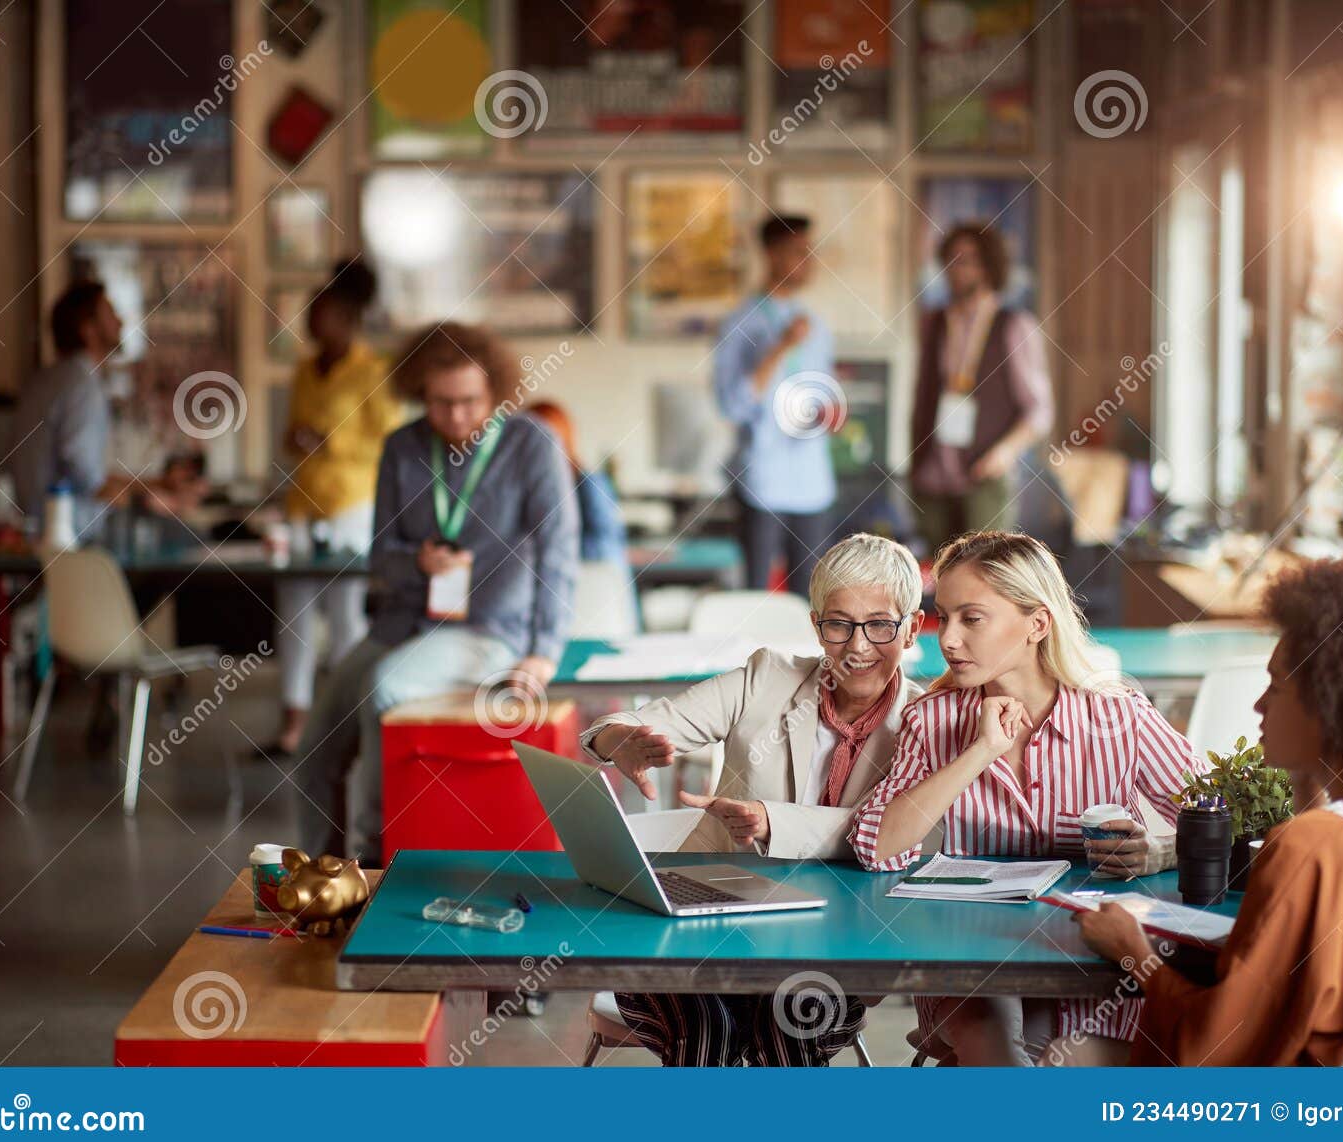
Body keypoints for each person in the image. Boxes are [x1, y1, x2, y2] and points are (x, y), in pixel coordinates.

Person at [1076, 552, 1343, 1065]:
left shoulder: (1308, 849)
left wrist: (1132, 951)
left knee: (1064, 1056)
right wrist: (1314, 773)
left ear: (1331, 708)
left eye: (1276, 687)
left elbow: (1209, 1049)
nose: (1258, 705)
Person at [849, 530, 1201, 1066]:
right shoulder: (933, 719)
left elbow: (1231, 819)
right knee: (996, 1035)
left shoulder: (1118, 715)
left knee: (1043, 1052)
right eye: (943, 617)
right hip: (971, 962)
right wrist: (980, 751)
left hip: (1089, 961)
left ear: (1037, 623)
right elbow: (877, 846)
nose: (946, 639)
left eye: (972, 618)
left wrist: (1157, 849)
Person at [581, 533, 928, 1065]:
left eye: (880, 625)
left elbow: (891, 832)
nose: (857, 647)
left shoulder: (927, 722)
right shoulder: (768, 677)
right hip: (699, 934)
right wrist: (616, 738)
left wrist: (773, 821)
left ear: (911, 630)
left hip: (835, 951)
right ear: (816, 627)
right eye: (838, 624)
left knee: (786, 1030)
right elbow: (640, 721)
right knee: (710, 1027)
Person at [293, 322, 578, 865]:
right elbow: (381, 556)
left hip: (488, 632)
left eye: (470, 401)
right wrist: (416, 563)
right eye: (441, 403)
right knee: (313, 751)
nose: (457, 417)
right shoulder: (402, 447)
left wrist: (543, 652)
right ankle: (321, 878)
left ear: (495, 389)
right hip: (403, 624)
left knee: (385, 686)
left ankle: (375, 861)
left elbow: (559, 554)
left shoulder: (530, 444)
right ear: (419, 393)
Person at [270, 260, 410, 755]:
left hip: (351, 505)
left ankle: (347, 720)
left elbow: (391, 443)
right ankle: (294, 718)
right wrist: (298, 438)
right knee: (294, 616)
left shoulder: (373, 372)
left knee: (346, 615)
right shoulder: (305, 370)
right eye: (310, 314)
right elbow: (291, 431)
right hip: (303, 506)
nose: (312, 323)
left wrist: (333, 442)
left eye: (321, 314)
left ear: (346, 319)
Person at [13, 281, 204, 542]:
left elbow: (87, 471)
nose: (120, 321)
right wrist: (156, 494)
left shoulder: (51, 379)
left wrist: (159, 484)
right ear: (88, 329)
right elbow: (89, 478)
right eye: (110, 312)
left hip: (41, 532)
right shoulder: (81, 384)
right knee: (192, 540)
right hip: (74, 538)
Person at [909, 223, 1053, 555]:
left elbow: (1039, 410)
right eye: (951, 259)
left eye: (968, 259)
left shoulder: (1014, 325)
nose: (957, 269)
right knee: (936, 572)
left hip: (984, 475)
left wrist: (1003, 453)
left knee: (983, 571)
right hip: (933, 473)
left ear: (989, 265)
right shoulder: (932, 322)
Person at [714, 213, 837, 594]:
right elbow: (732, 406)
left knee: (813, 599)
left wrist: (829, 415)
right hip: (763, 481)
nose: (808, 261)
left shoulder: (815, 324)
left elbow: (821, 393)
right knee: (756, 596)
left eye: (810, 251)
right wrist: (780, 348)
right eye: (799, 252)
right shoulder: (740, 322)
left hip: (813, 480)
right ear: (771, 254)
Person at [523, 400, 628, 569]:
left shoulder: (589, 484)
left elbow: (606, 547)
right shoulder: (528, 488)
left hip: (592, 584)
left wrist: (552, 551)